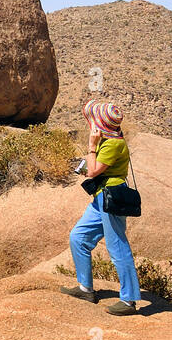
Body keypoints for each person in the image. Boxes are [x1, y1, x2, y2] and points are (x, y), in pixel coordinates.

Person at [59, 100, 141, 315]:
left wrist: (91, 145)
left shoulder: (113, 144)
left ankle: (129, 300)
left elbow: (94, 171)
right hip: (99, 198)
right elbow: (93, 168)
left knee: (117, 247)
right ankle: (85, 289)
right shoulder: (109, 140)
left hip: (111, 198)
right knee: (78, 237)